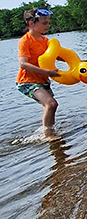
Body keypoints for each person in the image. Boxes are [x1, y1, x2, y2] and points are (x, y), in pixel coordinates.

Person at [16, 8, 61, 138]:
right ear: (31, 23)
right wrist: (47, 72)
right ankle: (48, 135)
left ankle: (50, 131)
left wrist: (78, 62)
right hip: (27, 81)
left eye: (48, 22)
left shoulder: (45, 40)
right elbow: (23, 63)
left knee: (51, 107)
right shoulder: (25, 41)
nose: (48, 25)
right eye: (44, 23)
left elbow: (57, 55)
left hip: (42, 80)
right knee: (51, 103)